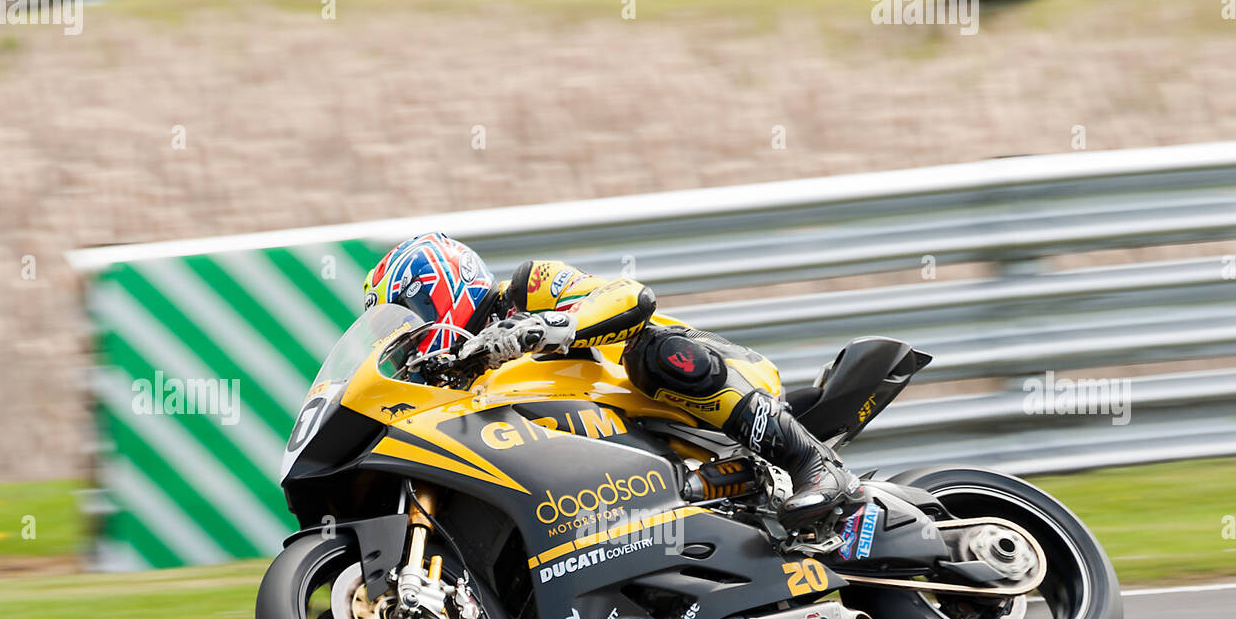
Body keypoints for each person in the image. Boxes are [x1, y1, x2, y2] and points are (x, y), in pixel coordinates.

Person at [362, 231, 864, 525]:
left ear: (443, 283)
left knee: (652, 352)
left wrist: (542, 327)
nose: (414, 326)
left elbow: (631, 297)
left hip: (695, 380)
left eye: (412, 309)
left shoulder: (524, 288)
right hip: (621, 465)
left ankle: (811, 460)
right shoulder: (456, 377)